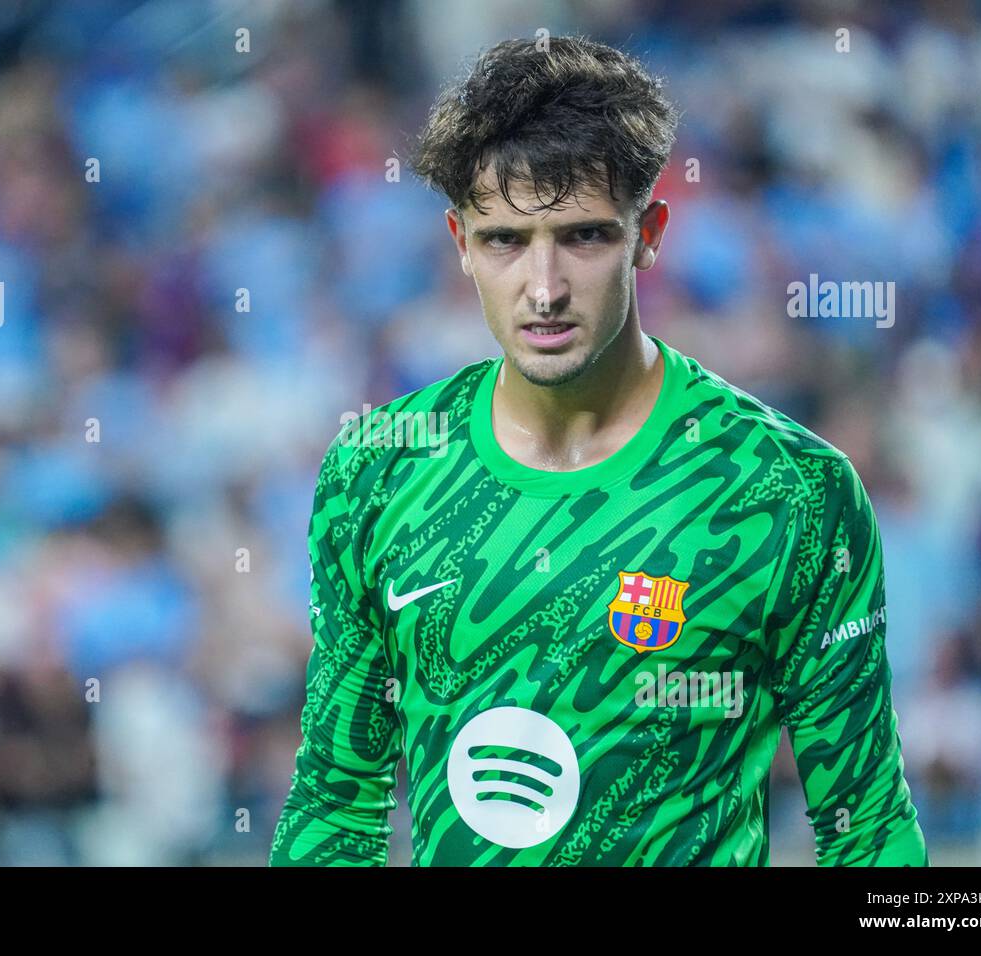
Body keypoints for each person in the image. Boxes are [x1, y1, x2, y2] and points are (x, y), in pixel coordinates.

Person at [269, 35, 928, 866]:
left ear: (648, 234)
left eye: (583, 236)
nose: (543, 288)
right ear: (459, 242)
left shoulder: (790, 489)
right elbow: (336, 800)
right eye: (506, 240)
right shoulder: (377, 471)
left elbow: (865, 826)